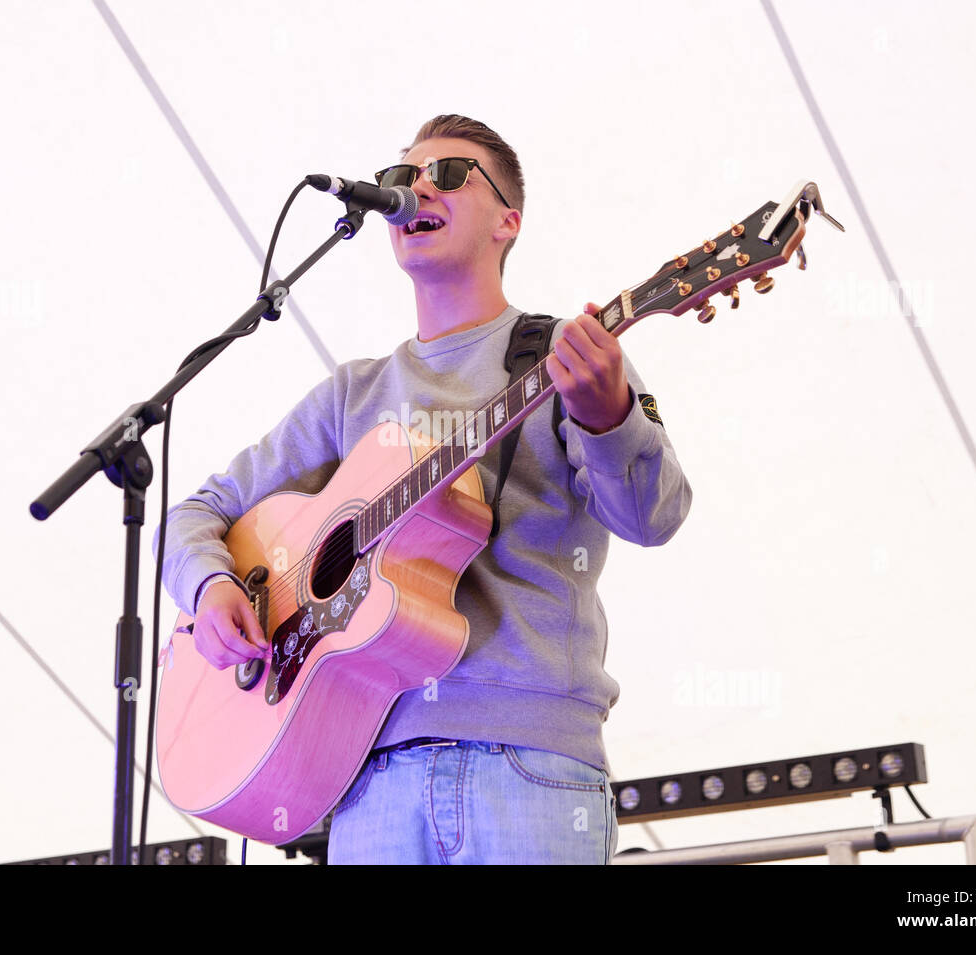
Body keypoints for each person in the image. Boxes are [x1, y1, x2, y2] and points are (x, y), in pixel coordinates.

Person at [154, 114, 692, 864]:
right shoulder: (354, 394)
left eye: (447, 173)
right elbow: (194, 514)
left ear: (509, 221)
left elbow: (655, 514)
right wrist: (211, 587)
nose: (414, 189)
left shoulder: (567, 354)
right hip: (367, 778)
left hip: (530, 768)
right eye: (403, 176)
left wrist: (609, 416)